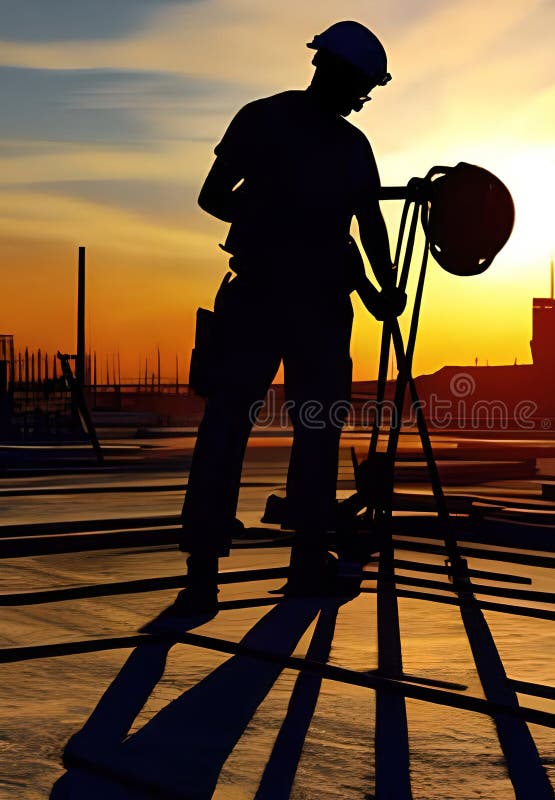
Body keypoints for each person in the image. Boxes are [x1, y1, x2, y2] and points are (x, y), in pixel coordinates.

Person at [175, 21, 404, 612]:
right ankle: (205, 561)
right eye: (360, 88)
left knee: (313, 426)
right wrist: (273, 216)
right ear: (333, 73)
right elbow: (213, 195)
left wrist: (385, 288)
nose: (360, 101)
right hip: (265, 294)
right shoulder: (264, 120)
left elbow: (370, 223)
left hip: (320, 301)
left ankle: (302, 556)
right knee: (233, 423)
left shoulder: (352, 147)